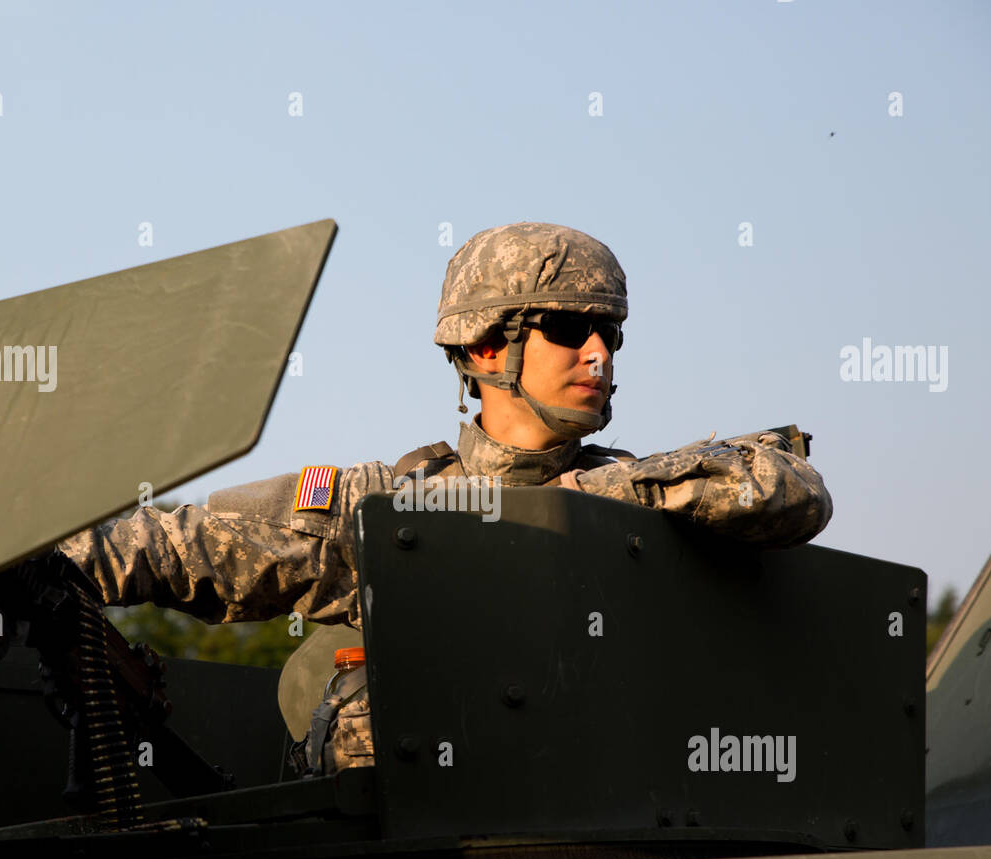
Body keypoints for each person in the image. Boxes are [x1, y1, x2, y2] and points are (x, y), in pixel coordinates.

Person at [58, 222, 833, 773]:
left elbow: (789, 487)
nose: (598, 354)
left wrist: (583, 501)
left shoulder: (650, 494)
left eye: (611, 333)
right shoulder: (388, 510)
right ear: (486, 346)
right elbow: (174, 544)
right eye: (569, 327)